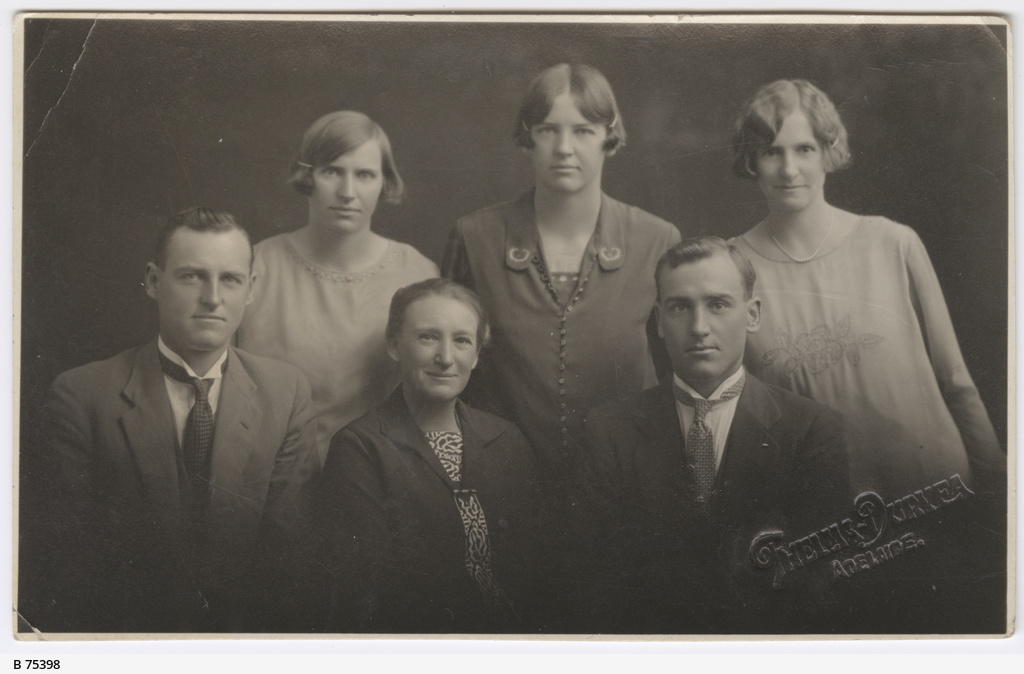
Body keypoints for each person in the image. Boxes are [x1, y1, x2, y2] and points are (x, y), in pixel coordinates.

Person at [33, 207, 320, 632]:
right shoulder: (82, 396)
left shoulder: (286, 392)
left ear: (251, 289)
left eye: (231, 279)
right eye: (192, 276)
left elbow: (288, 558)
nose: (213, 297)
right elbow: (70, 565)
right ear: (153, 281)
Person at [728, 79, 1004, 500]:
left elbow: (956, 381)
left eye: (804, 149)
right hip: (829, 515)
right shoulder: (732, 266)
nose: (789, 170)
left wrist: (1000, 498)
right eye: (771, 152)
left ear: (828, 152)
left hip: (936, 490)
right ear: (752, 160)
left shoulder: (893, 243)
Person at [572, 237, 849, 633]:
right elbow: (595, 580)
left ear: (752, 315)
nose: (699, 328)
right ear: (659, 322)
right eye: (680, 307)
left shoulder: (811, 430)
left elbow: (814, 587)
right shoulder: (609, 429)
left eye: (718, 305)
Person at [443, 63, 681, 493]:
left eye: (584, 131)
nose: (564, 148)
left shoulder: (657, 239)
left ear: (609, 137)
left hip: (629, 482)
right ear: (527, 136)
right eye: (548, 130)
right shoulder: (475, 237)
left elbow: (675, 376)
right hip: (502, 482)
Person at [317, 278, 542, 633]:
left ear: (478, 355)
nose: (446, 358)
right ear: (394, 345)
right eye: (428, 337)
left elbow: (531, 572)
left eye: (462, 340)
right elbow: (366, 590)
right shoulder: (361, 447)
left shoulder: (506, 439)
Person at [237, 110, 438, 463]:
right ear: (308, 176)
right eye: (332, 172)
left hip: (379, 475)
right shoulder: (257, 266)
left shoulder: (418, 273)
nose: (347, 192)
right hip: (267, 471)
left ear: (384, 182)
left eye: (364, 174)